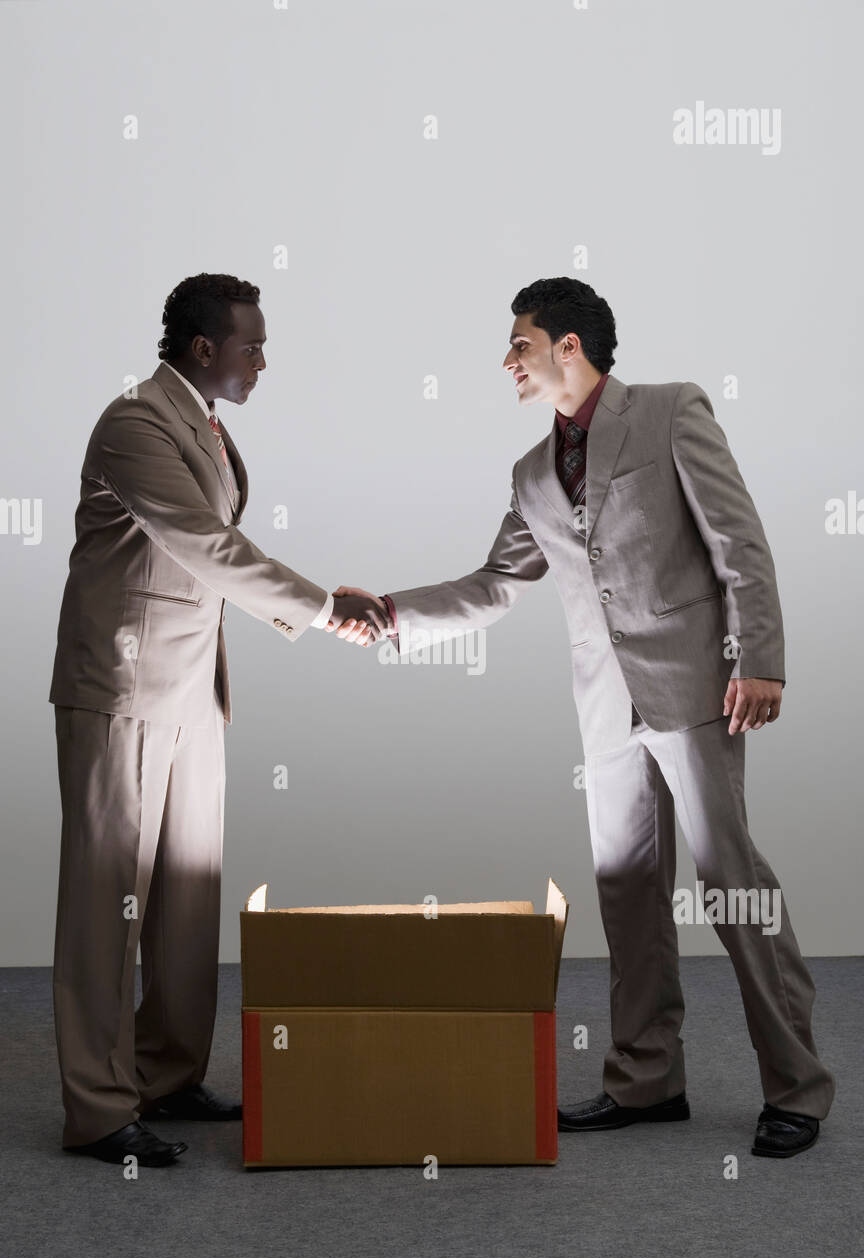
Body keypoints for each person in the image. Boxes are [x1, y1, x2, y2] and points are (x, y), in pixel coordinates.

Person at [333, 276, 835, 1159]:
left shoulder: (673, 412)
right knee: (627, 891)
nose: (507, 361)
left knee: (731, 879)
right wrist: (394, 613)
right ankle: (646, 1081)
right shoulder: (532, 473)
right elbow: (494, 585)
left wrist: (760, 658)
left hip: (696, 687)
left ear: (570, 347)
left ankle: (797, 1087)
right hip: (604, 707)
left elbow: (739, 540)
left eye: (519, 343)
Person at [49, 272, 388, 1167]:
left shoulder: (203, 421)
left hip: (194, 690)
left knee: (187, 894)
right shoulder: (134, 423)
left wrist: (320, 599)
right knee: (104, 901)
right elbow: (206, 542)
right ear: (205, 349)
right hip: (122, 689)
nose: (264, 361)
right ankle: (97, 1105)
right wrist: (321, 609)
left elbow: (218, 548)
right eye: (253, 347)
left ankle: (167, 1074)